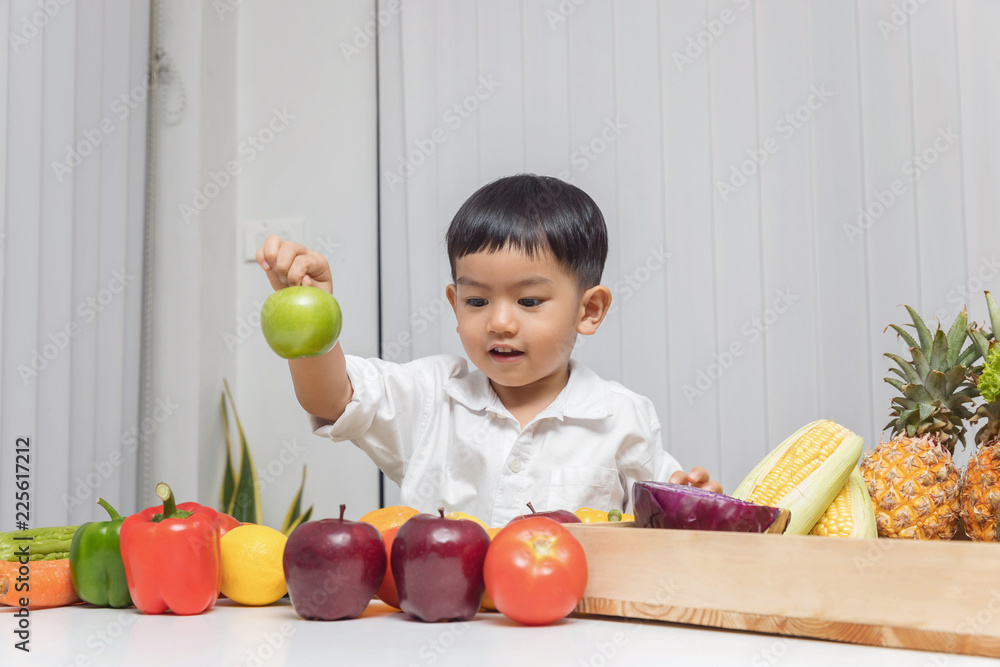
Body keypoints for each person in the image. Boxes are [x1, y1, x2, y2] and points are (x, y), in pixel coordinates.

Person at [256, 174, 721, 526]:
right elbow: (329, 399)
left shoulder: (623, 418)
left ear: (589, 310)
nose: (499, 322)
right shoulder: (430, 395)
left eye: (529, 301)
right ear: (454, 305)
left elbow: (662, 524)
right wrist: (311, 313)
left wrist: (692, 501)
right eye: (477, 301)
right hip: (442, 631)